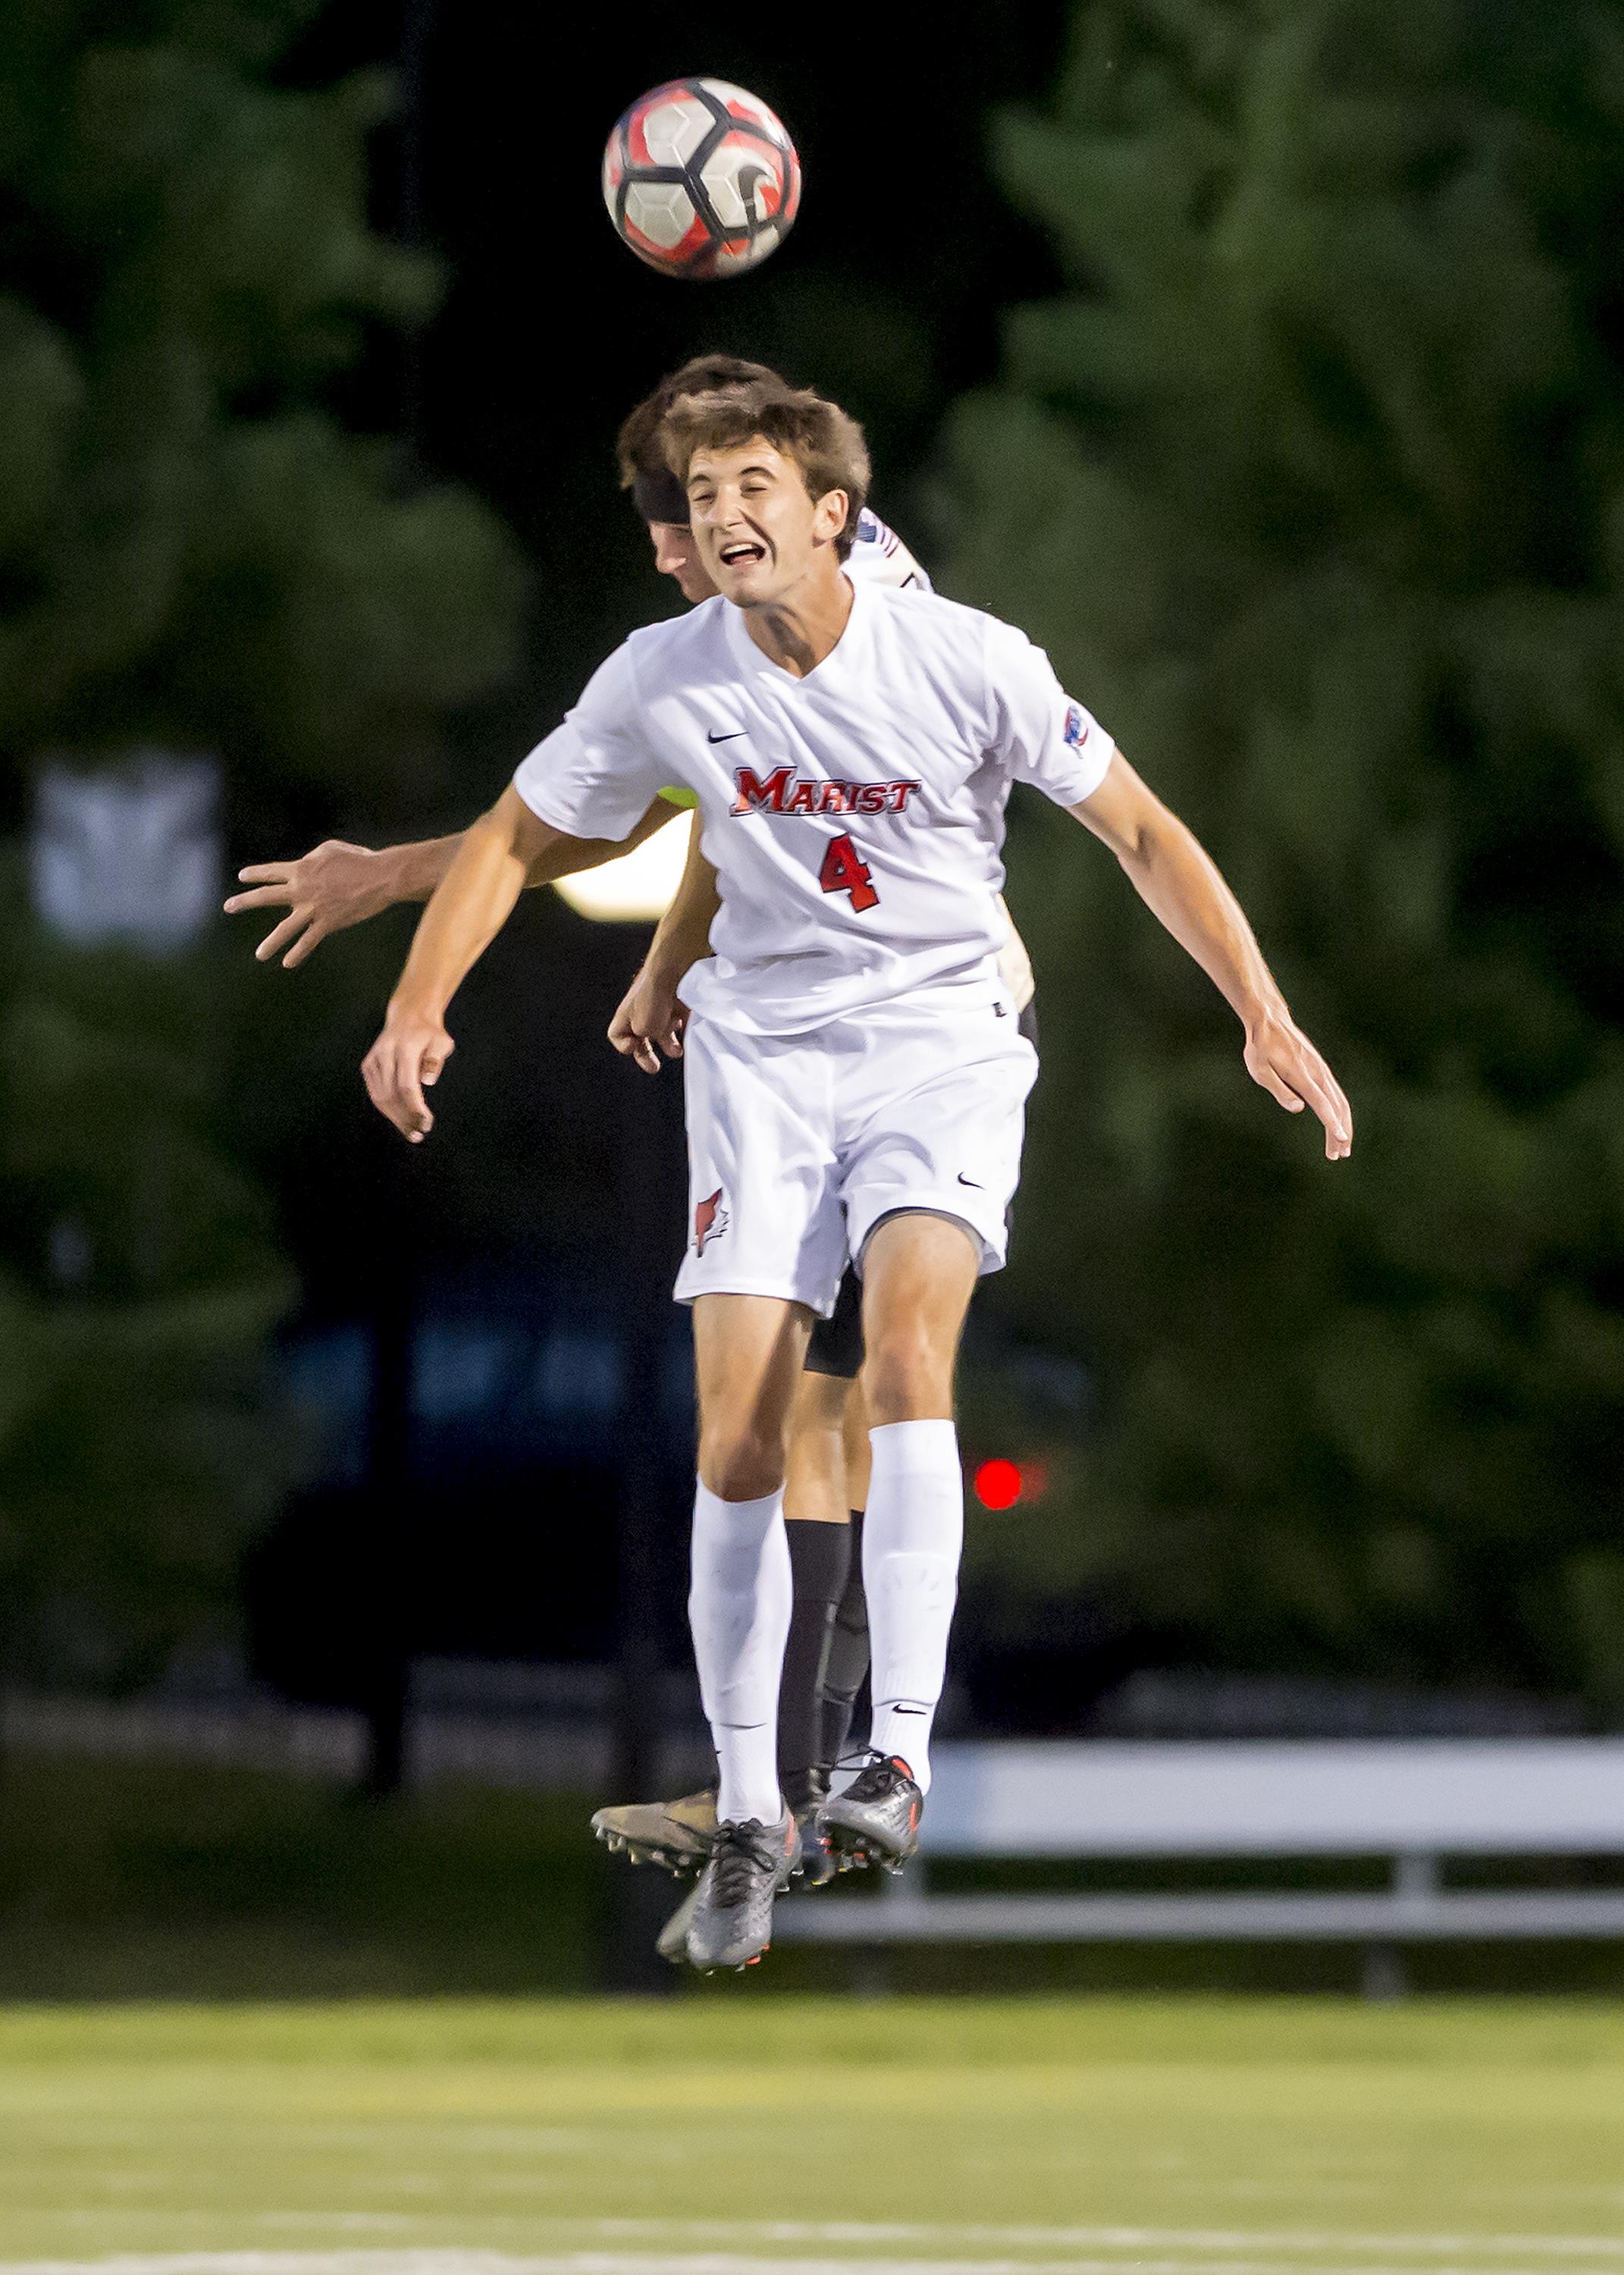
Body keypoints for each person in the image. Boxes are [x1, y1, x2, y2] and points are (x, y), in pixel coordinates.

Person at [358, 375, 1353, 1971]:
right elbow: (574, 825)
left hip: (942, 1034)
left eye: (746, 489)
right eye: (696, 496)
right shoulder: (662, 672)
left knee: (898, 1357)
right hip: (762, 1056)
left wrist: (1263, 1012)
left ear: (834, 514)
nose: (708, 525)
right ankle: (759, 1801)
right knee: (747, 1434)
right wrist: (427, 996)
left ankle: (889, 1749)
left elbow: (1144, 830)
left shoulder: (952, 649)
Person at [221, 355, 979, 1913]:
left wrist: (417, 883)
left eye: (682, 517)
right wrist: (653, 948)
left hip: (923, 1003)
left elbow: (732, 805)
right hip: (803, 988)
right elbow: (719, 797)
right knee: (779, 1403)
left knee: (851, 1389)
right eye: (662, 516)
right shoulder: (738, 616)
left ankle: (824, 1764)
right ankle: (789, 1777)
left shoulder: (869, 590)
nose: (663, 547)